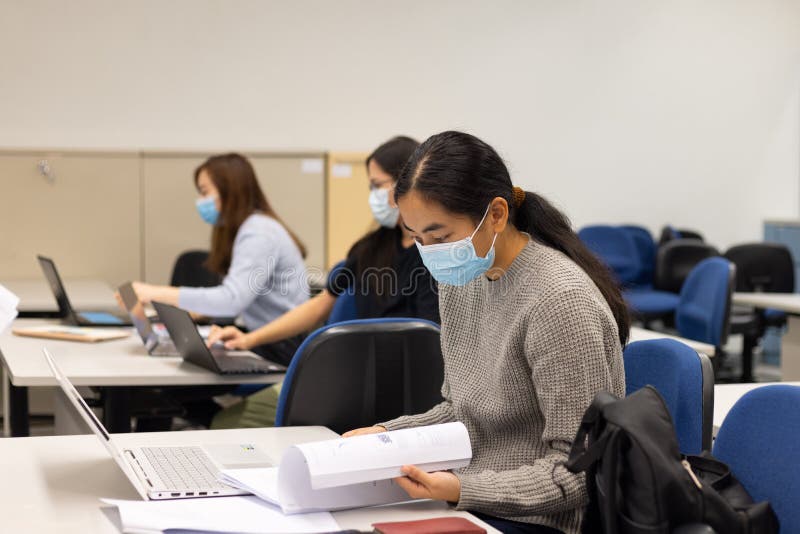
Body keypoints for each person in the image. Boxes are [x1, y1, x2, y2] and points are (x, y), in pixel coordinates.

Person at [343, 131, 628, 534]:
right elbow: (462, 410)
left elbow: (576, 473)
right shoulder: (464, 278)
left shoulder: (559, 302)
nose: (432, 254)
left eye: (441, 238)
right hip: (478, 499)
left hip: (546, 519)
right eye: (419, 239)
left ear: (496, 214)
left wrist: (461, 489)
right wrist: (384, 436)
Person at [207, 136, 439, 429]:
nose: (373, 195)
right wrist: (247, 340)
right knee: (230, 421)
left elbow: (431, 341)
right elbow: (320, 304)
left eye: (378, 185)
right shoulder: (370, 248)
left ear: (406, 183)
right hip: (351, 378)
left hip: (398, 387)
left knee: (230, 422)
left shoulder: (434, 255)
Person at [130, 153, 309, 366]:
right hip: (263, 339)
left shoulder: (259, 233)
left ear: (229, 190)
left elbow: (232, 300)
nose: (200, 201)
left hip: (280, 348)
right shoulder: (245, 229)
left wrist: (155, 293)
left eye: (205, 192)